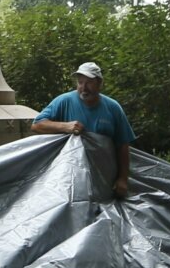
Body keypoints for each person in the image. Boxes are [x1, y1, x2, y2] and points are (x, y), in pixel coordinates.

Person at [30, 61, 136, 197]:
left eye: (89, 83)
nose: (84, 88)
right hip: (70, 178)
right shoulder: (64, 101)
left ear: (99, 84)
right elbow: (37, 125)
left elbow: (123, 145)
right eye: (80, 82)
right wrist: (65, 126)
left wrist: (122, 179)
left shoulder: (113, 108)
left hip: (105, 178)